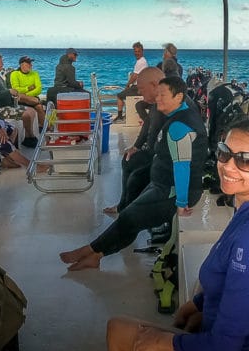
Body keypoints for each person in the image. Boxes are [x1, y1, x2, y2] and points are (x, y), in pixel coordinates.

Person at [105, 118, 249, 351]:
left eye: (247, 160)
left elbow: (224, 349)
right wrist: (197, 305)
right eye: (224, 153)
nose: (228, 165)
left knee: (117, 331)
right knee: (146, 345)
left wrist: (164, 341)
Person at [59, 76, 206, 271]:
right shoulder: (177, 114)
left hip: (174, 191)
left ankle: (89, 251)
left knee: (130, 217)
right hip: (163, 183)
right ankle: (95, 255)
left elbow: (182, 166)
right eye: (157, 94)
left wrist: (180, 203)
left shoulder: (180, 126)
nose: (157, 98)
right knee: (130, 216)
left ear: (179, 97)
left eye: (163, 95)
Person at [102, 66, 164, 215]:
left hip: (164, 158)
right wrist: (136, 146)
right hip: (154, 151)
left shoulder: (169, 104)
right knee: (129, 158)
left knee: (134, 169)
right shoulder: (157, 102)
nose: (139, 93)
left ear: (155, 85)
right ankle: (125, 205)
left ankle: (127, 208)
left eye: (141, 89)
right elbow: (148, 123)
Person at [0, 52, 39, 148]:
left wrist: (10, 94)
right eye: (0, 63)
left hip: (7, 104)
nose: (2, 65)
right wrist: (9, 92)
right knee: (26, 114)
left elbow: (4, 90)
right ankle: (29, 138)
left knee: (32, 111)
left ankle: (29, 136)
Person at [114, 42, 149, 122]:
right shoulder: (141, 61)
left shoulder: (141, 62)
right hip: (139, 86)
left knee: (119, 96)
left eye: (138, 51)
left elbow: (135, 76)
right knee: (124, 93)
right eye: (135, 51)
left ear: (142, 51)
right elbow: (135, 74)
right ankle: (125, 114)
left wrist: (128, 84)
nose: (136, 53)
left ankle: (120, 116)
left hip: (138, 88)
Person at [9, 55, 46, 128]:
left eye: (31, 63)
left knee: (39, 107)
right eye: (28, 63)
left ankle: (45, 128)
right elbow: (15, 89)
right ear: (22, 65)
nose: (31, 65)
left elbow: (39, 89)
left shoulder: (35, 74)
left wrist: (26, 94)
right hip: (20, 99)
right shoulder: (14, 74)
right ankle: (35, 101)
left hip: (30, 97)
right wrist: (28, 88)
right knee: (21, 96)